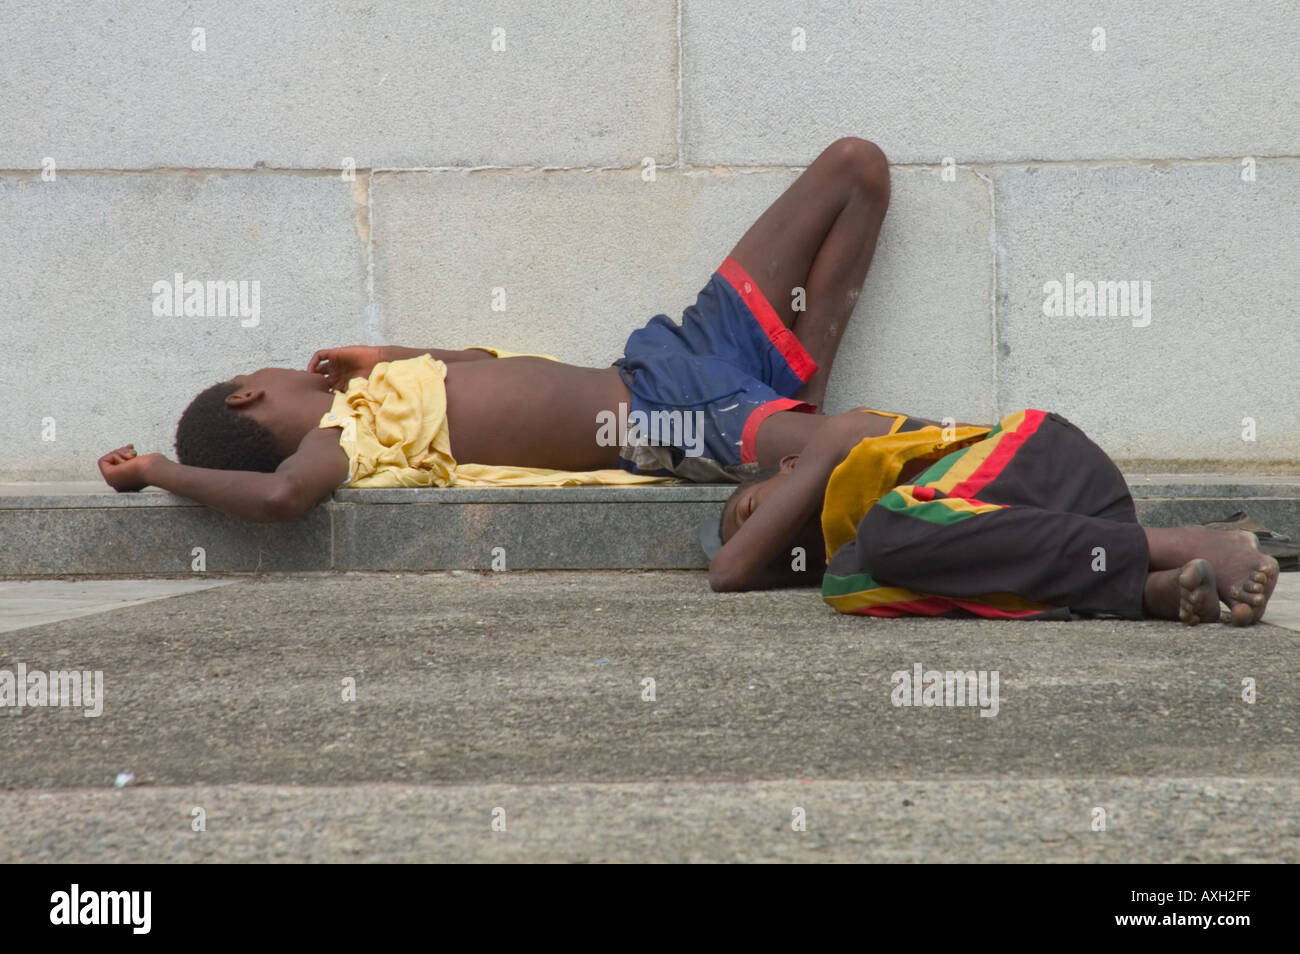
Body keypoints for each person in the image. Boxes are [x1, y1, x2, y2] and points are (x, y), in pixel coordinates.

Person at [96, 137, 892, 520]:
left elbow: (477, 363)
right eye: (259, 372)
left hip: (668, 360)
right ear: (247, 396)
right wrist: (158, 472)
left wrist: (384, 354)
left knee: (855, 168)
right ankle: (810, 432)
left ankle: (800, 400)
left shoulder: (379, 395)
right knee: (860, 443)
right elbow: (278, 497)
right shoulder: (339, 444)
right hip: (668, 421)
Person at [704, 406, 1280, 627]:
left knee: (887, 529)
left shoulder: (838, 436)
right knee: (848, 582)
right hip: (1080, 542)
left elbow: (731, 571)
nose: (766, 535)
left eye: (754, 512)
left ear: (791, 464)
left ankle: (1178, 541)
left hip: (1054, 465)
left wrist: (746, 552)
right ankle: (1144, 591)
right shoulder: (854, 552)